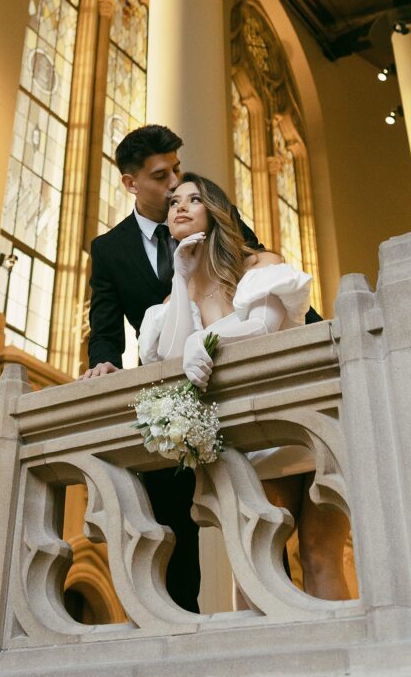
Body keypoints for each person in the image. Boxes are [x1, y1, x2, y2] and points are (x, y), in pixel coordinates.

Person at [138, 173, 351, 600]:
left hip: (303, 415)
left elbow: (262, 327)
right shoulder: (172, 302)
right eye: (174, 202)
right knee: (257, 559)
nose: (180, 207)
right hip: (250, 438)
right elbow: (175, 360)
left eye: (194, 199)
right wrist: (180, 277)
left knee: (318, 552)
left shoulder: (258, 266)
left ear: (215, 211)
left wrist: (203, 340)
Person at [83, 124, 263, 613]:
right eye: (161, 176)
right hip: (168, 400)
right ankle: (182, 631)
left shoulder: (209, 212)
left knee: (259, 513)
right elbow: (104, 324)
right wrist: (102, 362)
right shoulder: (110, 249)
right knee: (174, 530)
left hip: (230, 381)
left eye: (176, 170)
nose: (175, 184)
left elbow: (255, 271)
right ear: (131, 183)